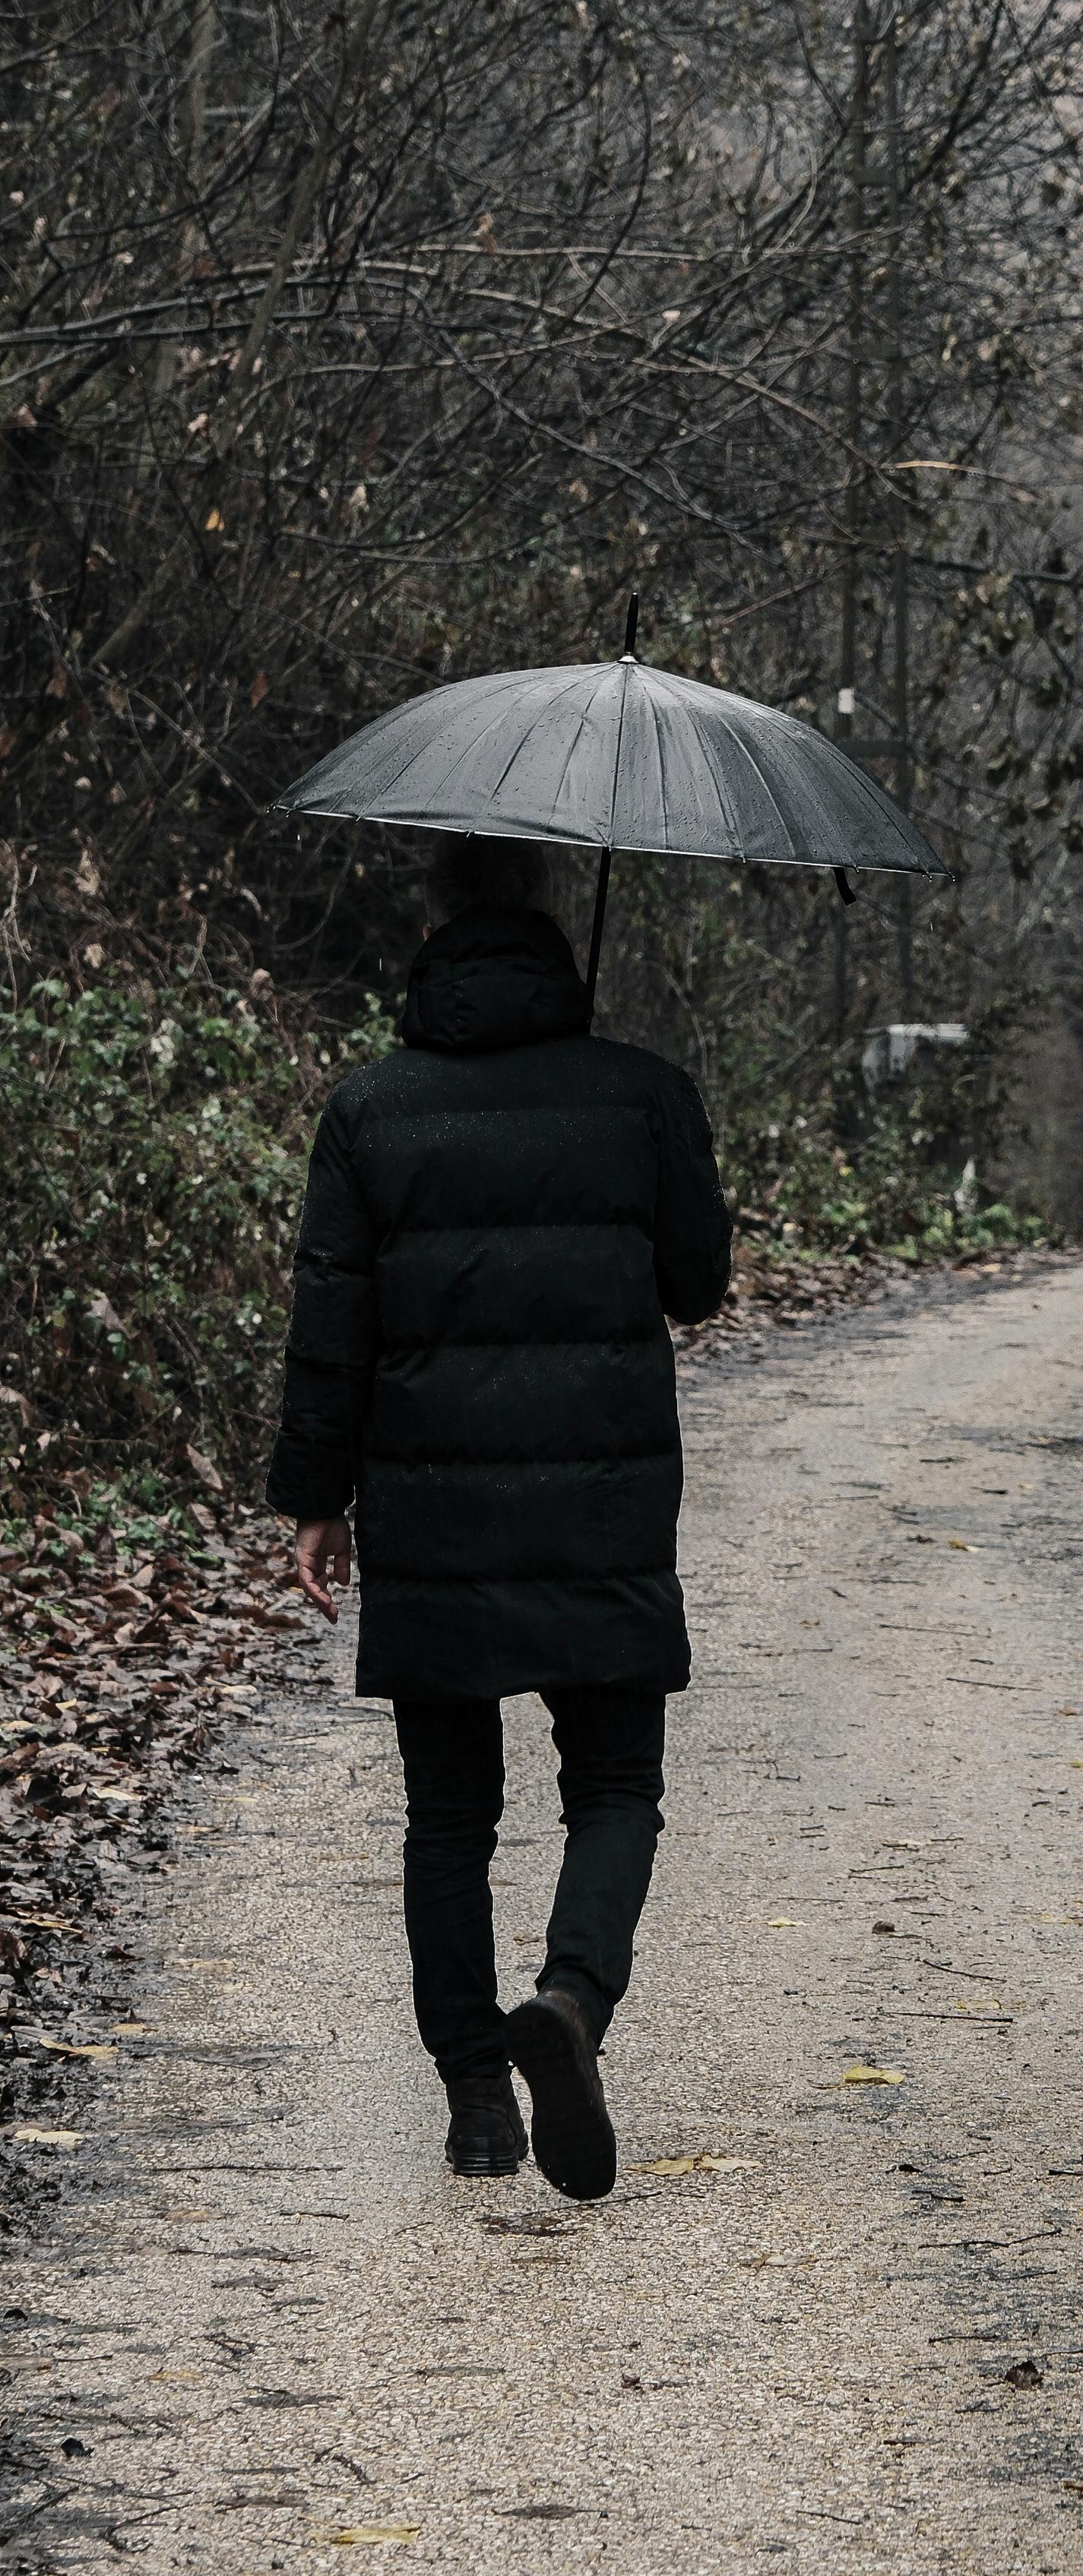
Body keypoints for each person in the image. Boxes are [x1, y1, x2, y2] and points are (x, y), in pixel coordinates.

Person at [265, 833, 733, 2198]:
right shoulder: (644, 1095)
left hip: (432, 1510)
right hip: (601, 1498)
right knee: (617, 1787)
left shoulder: (370, 1110)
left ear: (434, 924)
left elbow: (330, 1326)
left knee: (449, 1817)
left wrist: (315, 1499)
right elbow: (697, 1286)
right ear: (552, 918)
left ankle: (476, 2096)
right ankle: (573, 2003)